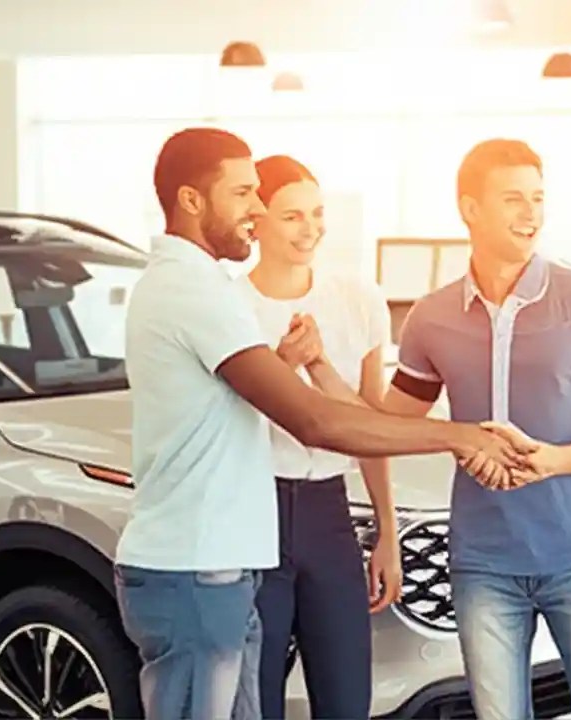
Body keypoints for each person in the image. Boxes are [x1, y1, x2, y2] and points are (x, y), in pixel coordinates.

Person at [116, 128, 533, 720]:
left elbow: (245, 406)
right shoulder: (194, 290)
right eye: (243, 193)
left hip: (223, 565)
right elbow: (314, 420)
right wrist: (458, 435)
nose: (256, 210)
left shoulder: (203, 287)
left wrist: (297, 365)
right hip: (195, 570)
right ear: (191, 200)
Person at [383, 138, 571, 720]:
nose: (530, 213)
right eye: (512, 199)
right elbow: (389, 427)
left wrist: (550, 461)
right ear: (469, 208)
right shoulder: (430, 318)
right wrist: (457, 438)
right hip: (483, 565)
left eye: (537, 198)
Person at [238, 155, 400, 719]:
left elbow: (372, 425)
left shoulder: (357, 300)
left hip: (330, 515)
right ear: (255, 221)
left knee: (346, 698)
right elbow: (231, 424)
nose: (311, 229)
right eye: (291, 216)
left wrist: (387, 532)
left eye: (317, 213)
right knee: (255, 701)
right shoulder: (231, 305)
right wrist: (286, 369)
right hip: (254, 510)